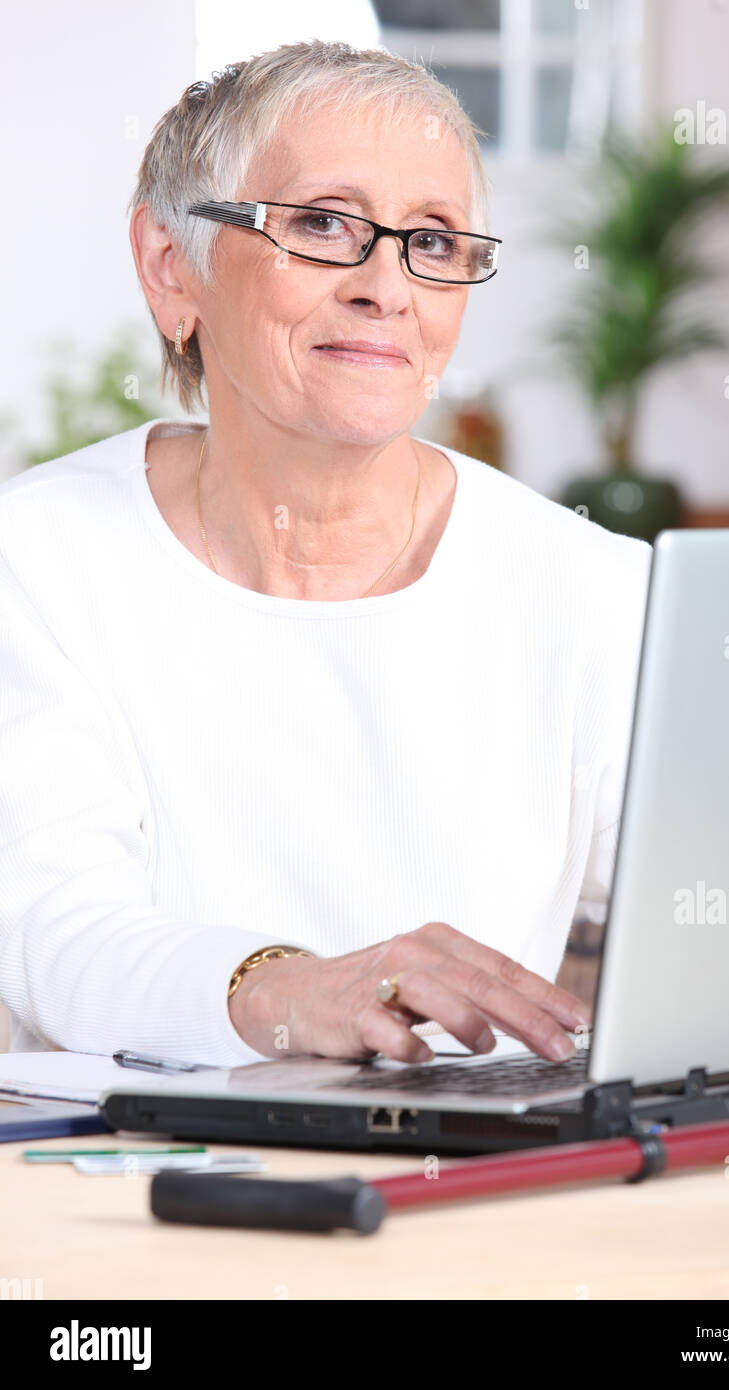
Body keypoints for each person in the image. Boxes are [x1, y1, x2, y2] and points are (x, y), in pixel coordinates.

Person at [0, 40, 651, 1068]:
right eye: (321, 224)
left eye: (431, 241)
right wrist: (289, 989)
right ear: (174, 267)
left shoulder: (595, 589)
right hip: (136, 1189)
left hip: (493, 1188)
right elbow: (54, 933)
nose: (386, 286)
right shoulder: (37, 559)